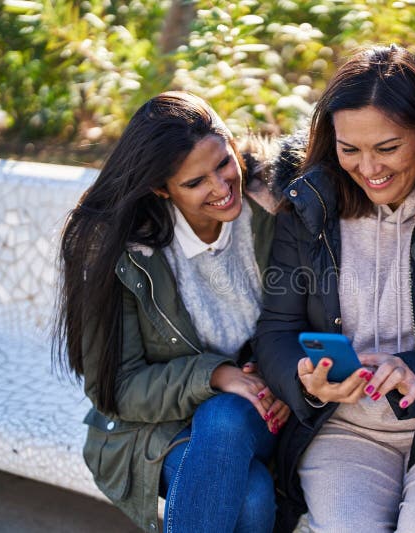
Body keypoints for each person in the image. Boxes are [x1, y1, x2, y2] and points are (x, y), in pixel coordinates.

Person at [254, 44, 415, 533]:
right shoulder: (309, 208)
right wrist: (306, 380)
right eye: (349, 149)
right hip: (346, 428)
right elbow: (277, 328)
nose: (368, 167)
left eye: (388, 148)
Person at [55, 91, 293, 533]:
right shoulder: (122, 252)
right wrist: (215, 375)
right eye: (196, 182)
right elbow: (117, 389)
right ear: (161, 188)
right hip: (156, 428)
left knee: (224, 418)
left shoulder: (271, 205)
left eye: (223, 163)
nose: (222, 188)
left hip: (267, 408)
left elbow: (312, 316)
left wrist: (281, 373)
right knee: (251, 496)